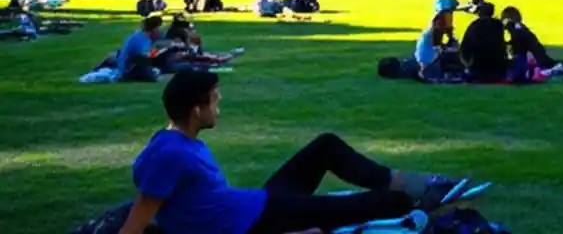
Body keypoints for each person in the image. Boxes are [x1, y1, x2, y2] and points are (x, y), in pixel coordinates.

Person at [119, 70, 460, 234]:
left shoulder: (173, 141)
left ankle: (397, 179)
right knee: (362, 207)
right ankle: (415, 198)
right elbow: (137, 220)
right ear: (196, 109)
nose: (219, 106)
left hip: (258, 204)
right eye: (214, 100)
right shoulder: (170, 155)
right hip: (259, 221)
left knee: (325, 145)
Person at [502, 6, 563, 81]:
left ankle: (555, 69)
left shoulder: (517, 30)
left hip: (533, 58)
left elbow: (519, 48)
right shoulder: (522, 29)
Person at [459, 2, 509, 83]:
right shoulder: (498, 25)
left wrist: (467, 63)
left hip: (478, 68)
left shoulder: (474, 26)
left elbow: (465, 47)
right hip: (498, 68)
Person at [117, 16, 166, 83]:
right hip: (129, 70)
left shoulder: (140, 35)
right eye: (159, 28)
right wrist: (159, 49)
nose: (161, 31)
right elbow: (144, 56)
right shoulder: (141, 39)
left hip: (128, 68)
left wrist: (161, 49)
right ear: (154, 29)